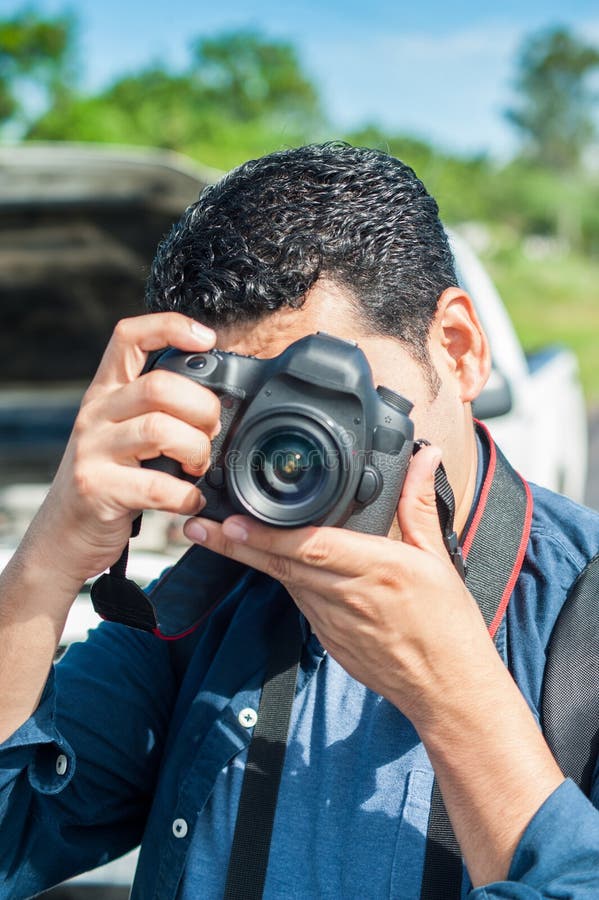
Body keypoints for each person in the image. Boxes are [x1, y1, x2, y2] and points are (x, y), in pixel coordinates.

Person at [0, 143, 598, 900]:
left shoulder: (583, 624)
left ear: (457, 350)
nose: (292, 459)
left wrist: (453, 696)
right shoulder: (210, 602)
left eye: (329, 405)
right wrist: (46, 566)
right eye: (251, 417)